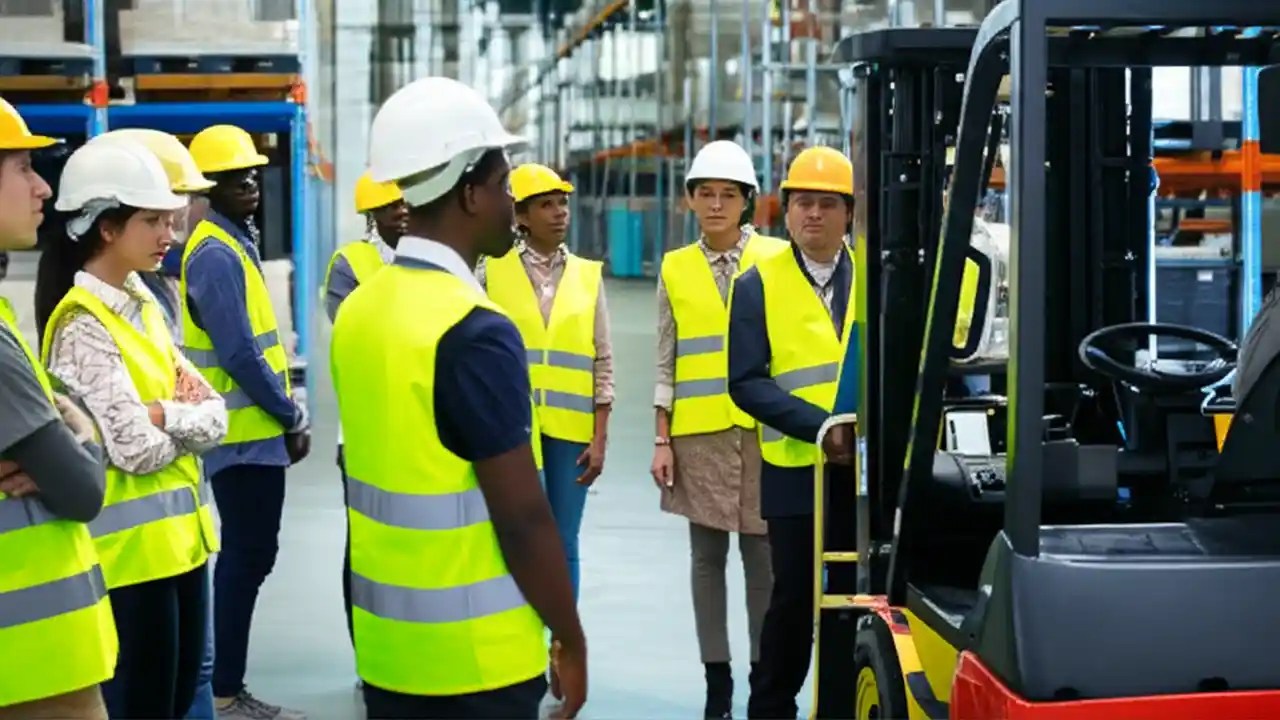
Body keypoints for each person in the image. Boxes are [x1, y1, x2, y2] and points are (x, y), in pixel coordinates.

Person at [332, 76, 587, 720]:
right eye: (505, 186)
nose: (511, 203)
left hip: (387, 655)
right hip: (477, 665)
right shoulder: (473, 331)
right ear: (470, 192)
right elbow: (524, 518)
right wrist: (571, 634)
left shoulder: (360, 311)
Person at [32, 139, 226, 719]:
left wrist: (166, 412)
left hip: (184, 550)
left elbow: (216, 413)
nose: (169, 232)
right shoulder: (82, 326)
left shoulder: (142, 301)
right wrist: (172, 422)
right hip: (131, 563)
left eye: (169, 219)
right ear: (104, 227)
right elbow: (133, 449)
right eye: (151, 220)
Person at [650, 140, 784, 719]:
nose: (715, 205)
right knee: (706, 561)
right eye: (705, 194)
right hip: (697, 436)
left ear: (747, 202)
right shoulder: (675, 268)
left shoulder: (777, 260)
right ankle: (717, 685)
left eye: (727, 195)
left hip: (762, 434)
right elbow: (665, 359)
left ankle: (761, 679)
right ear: (690, 201)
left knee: (763, 563)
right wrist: (661, 438)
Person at [182, 123, 309, 720]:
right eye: (235, 176)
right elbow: (237, 353)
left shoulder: (234, 242)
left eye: (253, 172)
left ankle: (222, 684)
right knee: (246, 558)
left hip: (254, 438)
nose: (250, 181)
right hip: (241, 439)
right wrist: (289, 413)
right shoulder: (213, 254)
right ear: (209, 186)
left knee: (250, 556)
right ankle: (223, 688)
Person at [727, 146, 859, 720]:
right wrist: (821, 428)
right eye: (803, 203)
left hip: (862, 471)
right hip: (795, 470)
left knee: (856, 596)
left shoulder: (878, 277)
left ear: (848, 213)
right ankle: (772, 707)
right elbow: (746, 383)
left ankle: (839, 703)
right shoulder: (757, 284)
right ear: (785, 213)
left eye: (827, 204)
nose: (814, 214)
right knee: (795, 598)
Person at [0, 96, 116, 719]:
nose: (42, 186)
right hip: (36, 661)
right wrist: (85, 430)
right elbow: (81, 489)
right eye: (21, 167)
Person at [479, 162, 612, 600]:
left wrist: (600, 435)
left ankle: (562, 646)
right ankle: (523, 643)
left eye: (562, 204)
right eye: (546, 204)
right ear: (520, 216)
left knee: (563, 540)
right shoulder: (490, 273)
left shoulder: (588, 276)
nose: (559, 213)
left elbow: (603, 360)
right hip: (512, 430)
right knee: (519, 537)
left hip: (571, 432)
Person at [323, 169, 406, 648]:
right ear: (371, 215)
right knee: (366, 545)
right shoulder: (349, 265)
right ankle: (369, 647)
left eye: (407, 202)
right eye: (391, 205)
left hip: (422, 432)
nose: (403, 211)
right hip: (363, 433)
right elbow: (357, 338)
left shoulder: (435, 261)